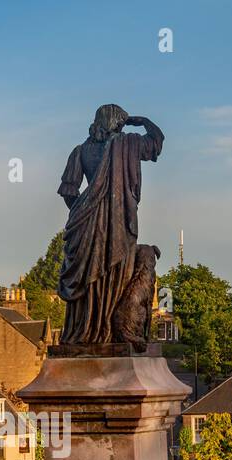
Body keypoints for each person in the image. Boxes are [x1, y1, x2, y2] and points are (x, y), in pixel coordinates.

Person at [57, 105, 164, 348]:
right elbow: (156, 142)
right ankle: (108, 331)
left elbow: (69, 190)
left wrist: (83, 212)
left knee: (88, 276)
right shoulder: (128, 144)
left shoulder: (80, 151)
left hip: (86, 222)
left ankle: (85, 332)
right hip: (118, 222)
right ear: (117, 123)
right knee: (116, 271)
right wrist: (145, 120)